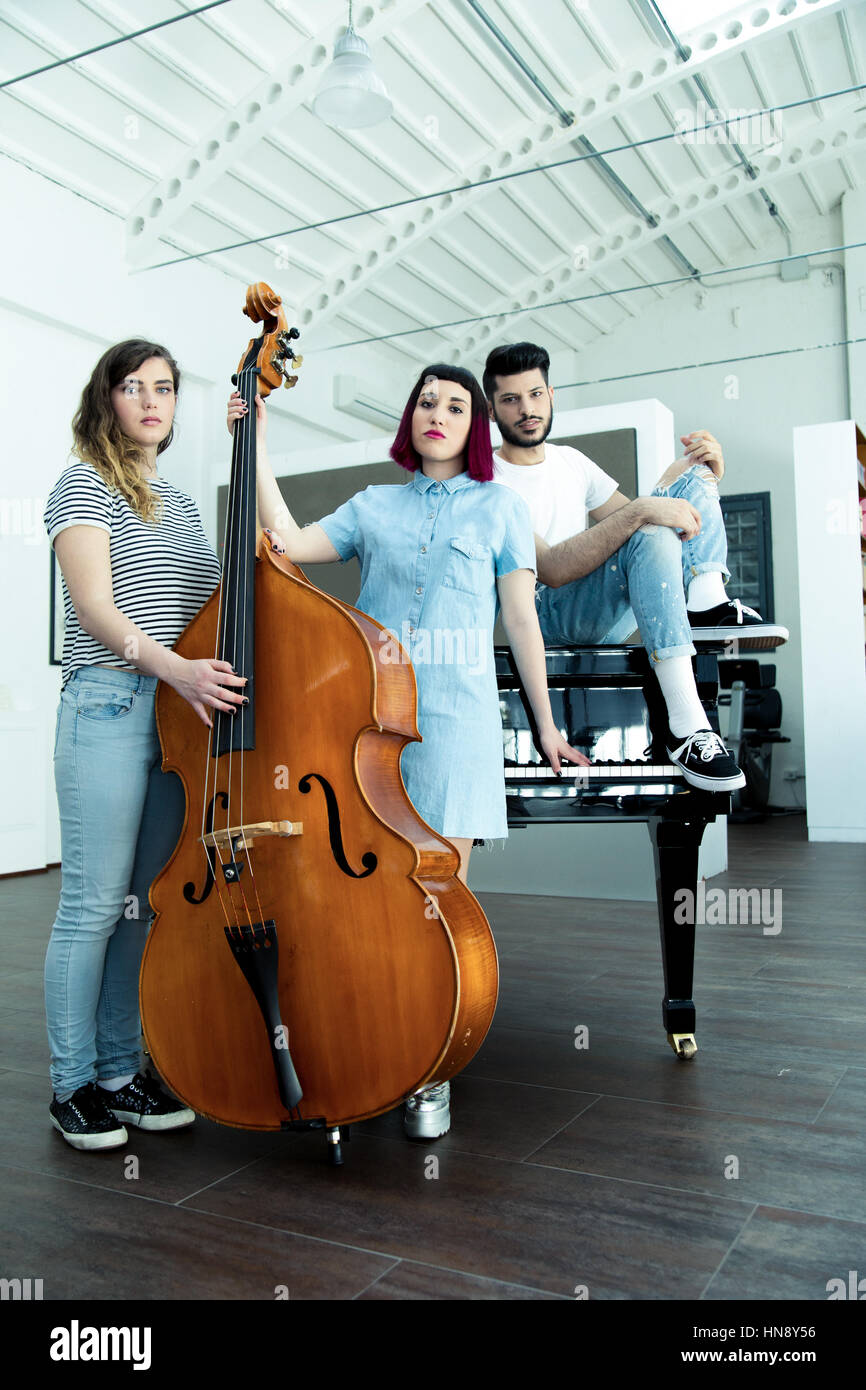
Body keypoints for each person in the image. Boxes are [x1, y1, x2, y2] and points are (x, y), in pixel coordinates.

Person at [228, 363, 586, 1139]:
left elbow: (521, 623)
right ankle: (361, 1060)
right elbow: (285, 546)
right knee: (363, 907)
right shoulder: (374, 506)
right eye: (427, 400)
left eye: (457, 405)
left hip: (455, 725)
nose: (439, 413)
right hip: (366, 729)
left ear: (474, 426)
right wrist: (253, 440)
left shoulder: (502, 506)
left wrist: (548, 725)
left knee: (436, 906)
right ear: (411, 417)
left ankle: (430, 1073)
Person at [43, 340, 251, 1152]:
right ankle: (70, 1087)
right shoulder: (83, 484)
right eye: (134, 387)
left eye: (164, 388)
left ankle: (120, 1074)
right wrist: (179, 672)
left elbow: (211, 607)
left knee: (143, 906)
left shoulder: (186, 504)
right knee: (92, 906)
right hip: (106, 703)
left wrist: (251, 449)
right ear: (108, 400)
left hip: (174, 719)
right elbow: (96, 610)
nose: (151, 401)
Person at [483, 342, 788, 792]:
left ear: (552, 395)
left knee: (691, 480)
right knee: (649, 520)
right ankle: (687, 725)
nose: (527, 409)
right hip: (541, 615)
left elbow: (642, 530)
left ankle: (706, 599)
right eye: (510, 399)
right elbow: (550, 568)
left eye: (535, 394)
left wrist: (690, 477)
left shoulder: (571, 462)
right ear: (492, 410)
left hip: (596, 611)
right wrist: (651, 508)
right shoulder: (484, 481)